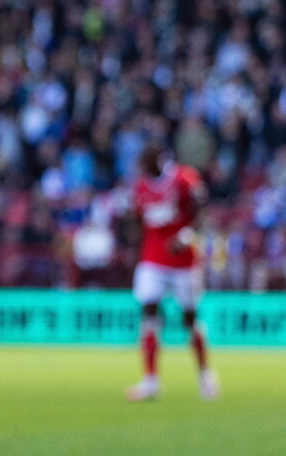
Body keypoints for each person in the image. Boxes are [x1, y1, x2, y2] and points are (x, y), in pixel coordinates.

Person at [126, 144, 217, 402]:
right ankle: (151, 380)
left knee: (189, 319)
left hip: (183, 261)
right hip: (152, 259)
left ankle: (205, 375)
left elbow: (201, 213)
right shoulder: (140, 187)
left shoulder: (183, 179)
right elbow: (137, 220)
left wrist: (185, 237)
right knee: (148, 313)